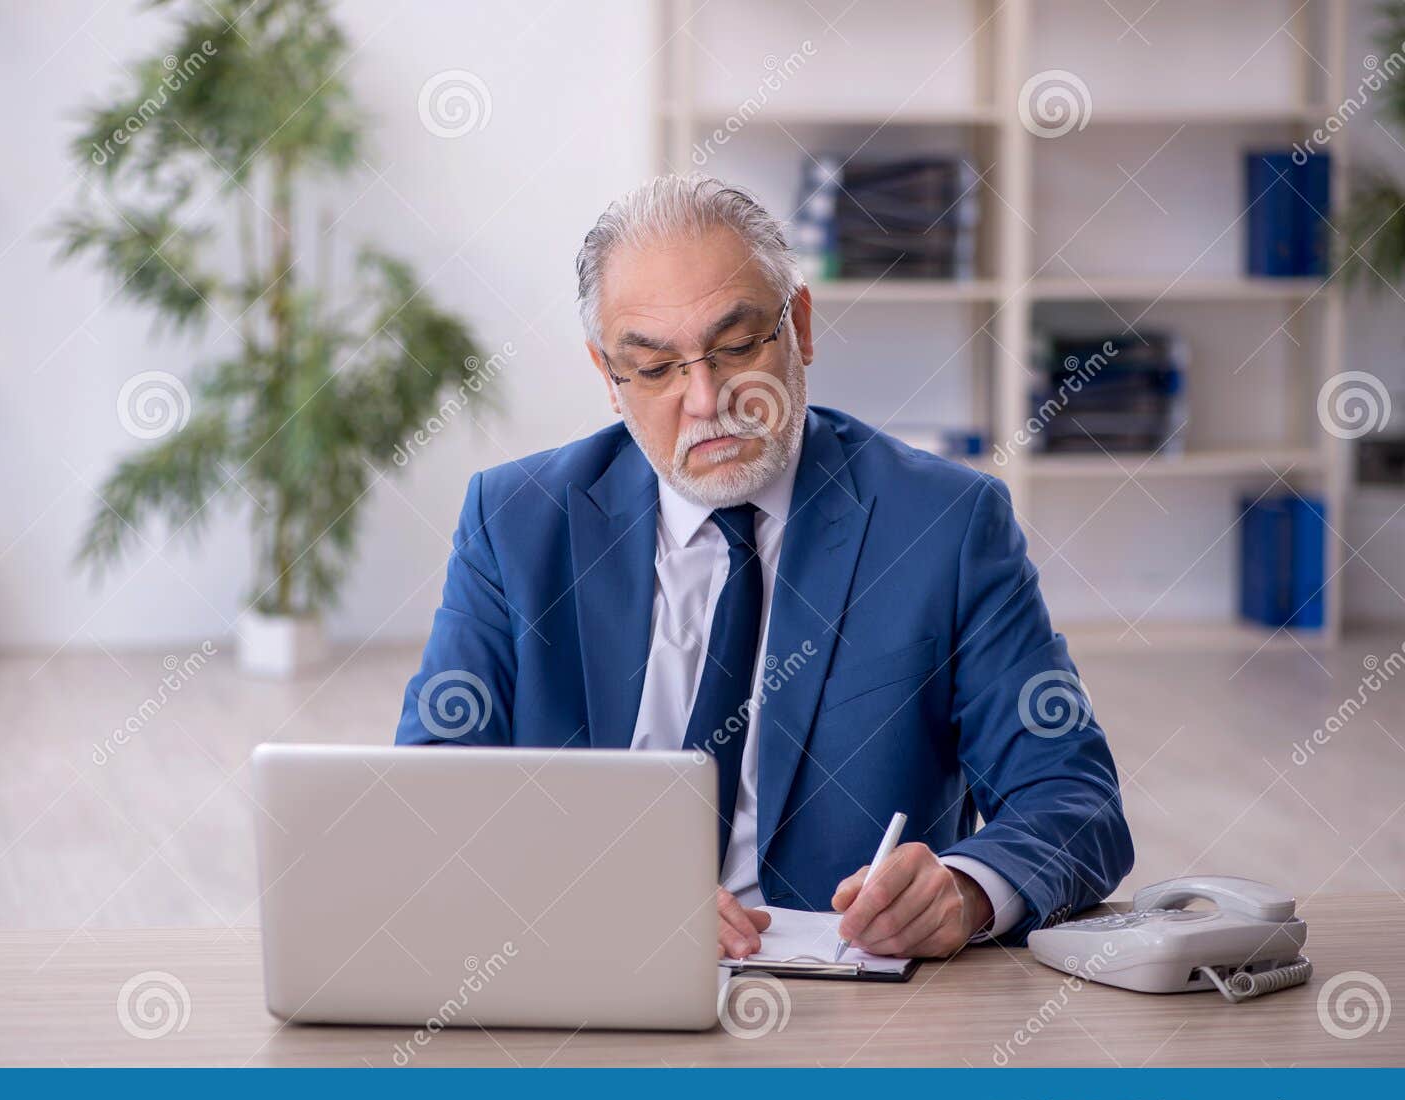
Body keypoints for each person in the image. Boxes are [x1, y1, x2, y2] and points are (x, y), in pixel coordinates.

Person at [396, 174, 1133, 961]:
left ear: (801, 327)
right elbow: (433, 795)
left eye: (738, 345)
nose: (707, 398)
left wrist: (967, 888)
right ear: (607, 377)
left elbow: (1073, 797)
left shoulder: (946, 528)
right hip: (591, 968)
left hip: (846, 1011)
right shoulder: (515, 523)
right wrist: (602, 890)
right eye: (654, 368)